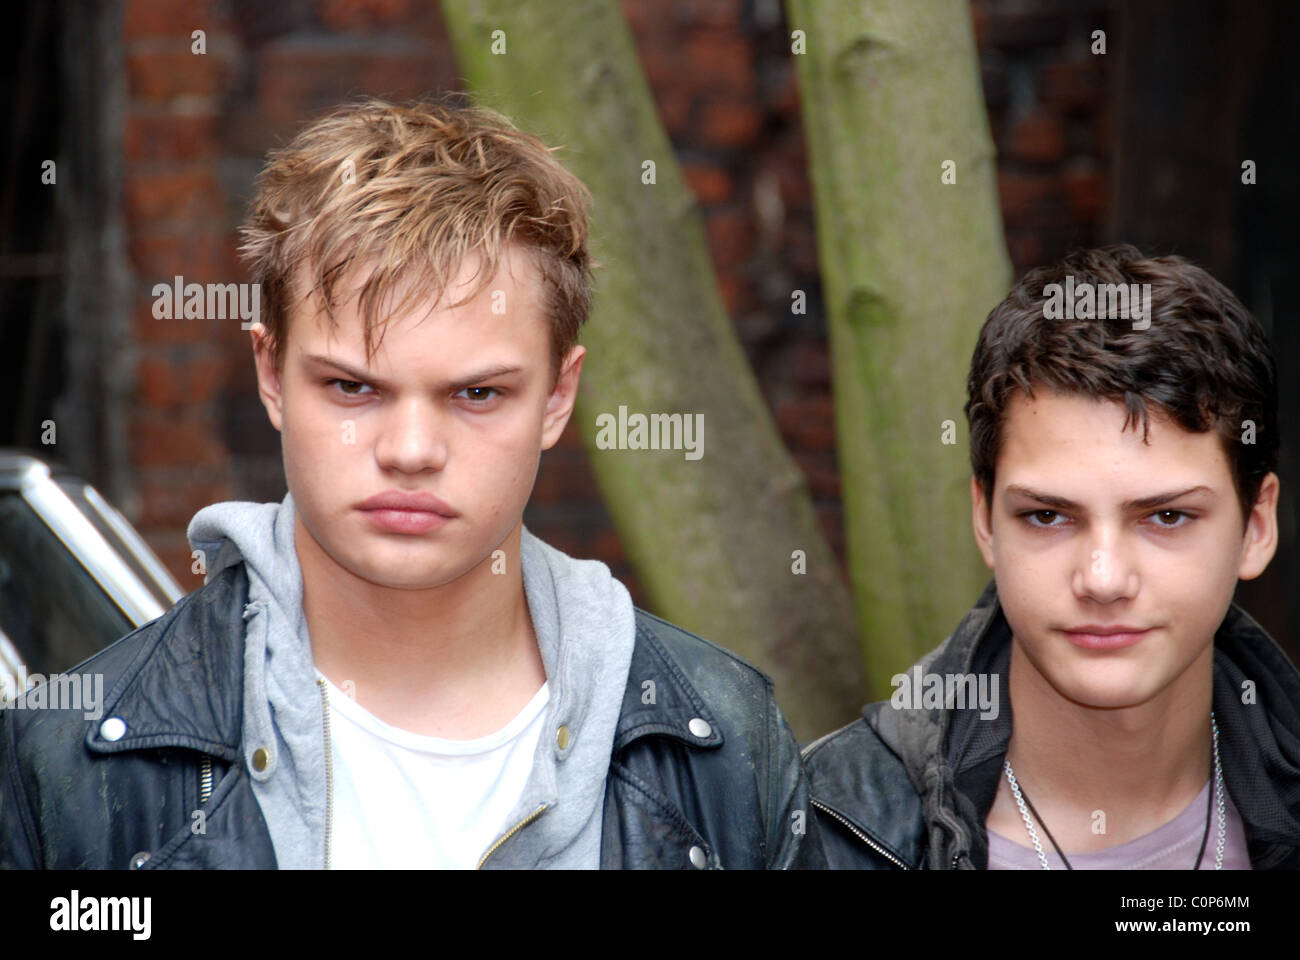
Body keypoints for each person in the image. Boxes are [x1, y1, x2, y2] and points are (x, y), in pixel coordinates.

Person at [0, 97, 817, 870]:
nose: (412, 449)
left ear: (558, 397)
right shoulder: (66, 755)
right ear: (271, 374)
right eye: (354, 388)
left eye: (477, 394)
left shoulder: (725, 743)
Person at [805, 244, 1300, 869]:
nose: (1103, 579)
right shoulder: (821, 825)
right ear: (985, 521)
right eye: (1048, 515)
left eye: (1166, 516)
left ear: (1256, 525)